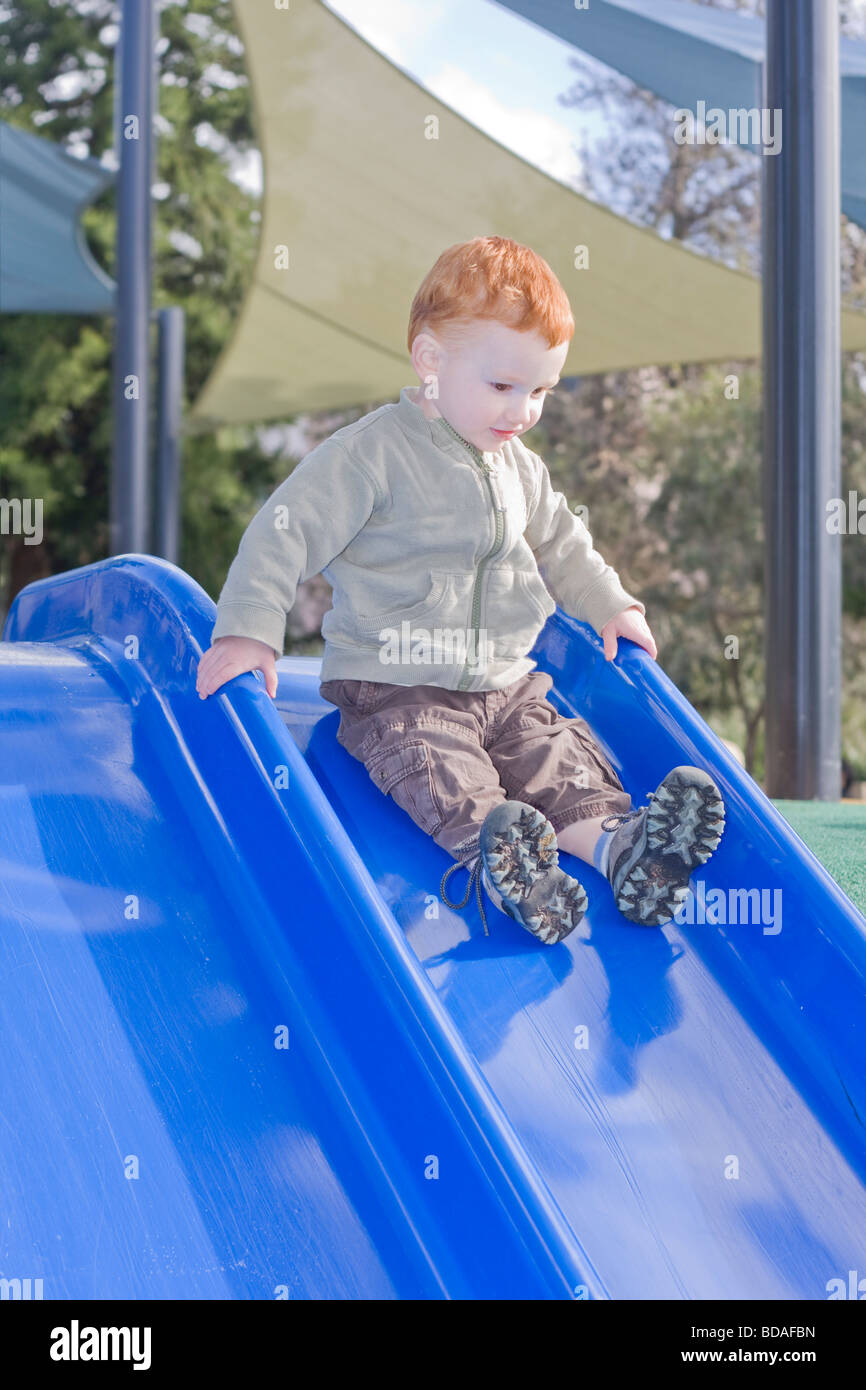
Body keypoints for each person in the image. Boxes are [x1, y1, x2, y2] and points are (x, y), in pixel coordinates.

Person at [196, 236, 725, 945]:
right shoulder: (373, 454)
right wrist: (249, 627)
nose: (523, 410)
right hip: (397, 687)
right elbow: (283, 530)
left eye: (540, 391)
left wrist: (610, 603)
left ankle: (619, 849)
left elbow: (564, 542)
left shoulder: (518, 467)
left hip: (506, 684)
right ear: (432, 360)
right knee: (445, 769)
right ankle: (503, 862)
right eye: (504, 386)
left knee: (555, 755)